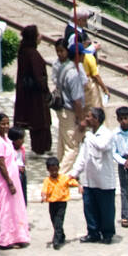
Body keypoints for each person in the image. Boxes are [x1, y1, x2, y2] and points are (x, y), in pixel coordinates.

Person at [71, 107, 117, 244]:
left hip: (104, 180)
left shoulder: (107, 134)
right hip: (89, 179)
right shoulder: (89, 136)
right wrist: (74, 173)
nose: (86, 119)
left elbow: (101, 146)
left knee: (106, 209)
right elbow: (82, 156)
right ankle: (93, 232)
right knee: (90, 207)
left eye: (89, 116)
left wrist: (89, 136)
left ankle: (107, 234)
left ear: (96, 119)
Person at [0, 113, 29, 250]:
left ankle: (13, 236)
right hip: (2, 181)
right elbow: (1, 164)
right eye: (2, 124)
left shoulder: (5, 139)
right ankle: (4, 240)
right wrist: (9, 182)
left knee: (12, 209)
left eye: (7, 123)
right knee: (4, 210)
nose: (5, 126)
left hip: (11, 178)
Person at [13, 25, 52, 155]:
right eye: (38, 34)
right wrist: (45, 90)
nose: (41, 36)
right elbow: (38, 75)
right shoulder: (32, 53)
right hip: (35, 95)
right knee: (40, 121)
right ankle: (40, 148)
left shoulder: (24, 50)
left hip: (27, 93)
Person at [53, 39, 86, 172]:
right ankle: (61, 176)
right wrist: (82, 119)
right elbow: (77, 100)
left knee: (63, 143)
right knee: (72, 147)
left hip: (61, 111)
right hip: (70, 112)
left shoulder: (63, 68)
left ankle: (56, 170)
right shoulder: (73, 73)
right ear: (78, 56)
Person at [40, 155, 78, 249]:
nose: (54, 172)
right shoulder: (47, 180)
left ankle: (56, 240)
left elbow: (73, 182)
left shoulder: (64, 178)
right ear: (48, 170)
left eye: (55, 170)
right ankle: (61, 235)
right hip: (52, 203)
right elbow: (44, 189)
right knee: (54, 220)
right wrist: (43, 196)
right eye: (51, 170)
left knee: (59, 220)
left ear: (58, 168)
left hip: (62, 203)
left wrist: (79, 186)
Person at [67, 41, 108, 113]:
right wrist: (104, 89)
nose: (84, 55)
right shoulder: (89, 58)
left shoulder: (72, 65)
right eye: (83, 54)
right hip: (87, 89)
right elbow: (95, 75)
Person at [7, 127, 27, 206]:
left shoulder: (22, 149)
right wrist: (17, 168)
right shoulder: (10, 150)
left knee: (23, 192)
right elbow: (8, 163)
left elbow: (22, 160)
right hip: (15, 174)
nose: (23, 141)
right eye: (21, 139)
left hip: (22, 173)